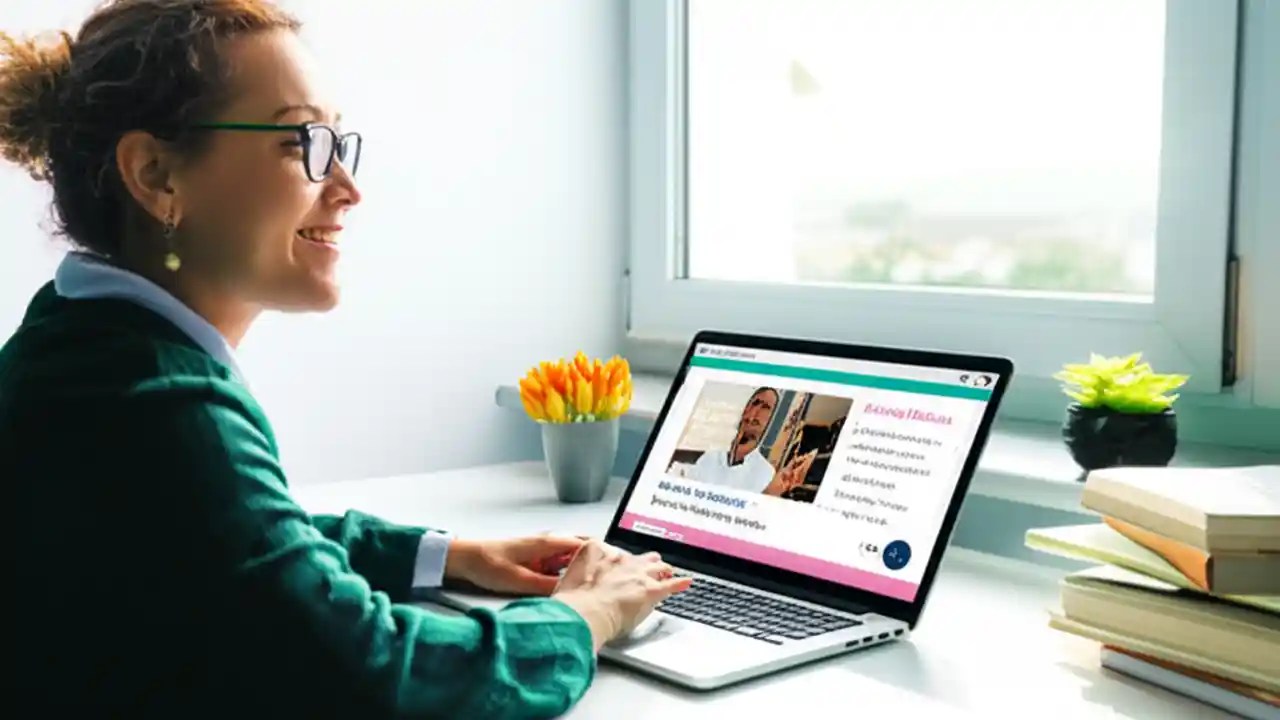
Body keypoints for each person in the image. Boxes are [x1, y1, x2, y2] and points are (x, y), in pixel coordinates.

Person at [0, 2, 690, 717]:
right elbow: (370, 677)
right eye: (304, 142)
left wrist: (449, 557)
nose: (348, 190)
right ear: (155, 174)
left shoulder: (79, 343)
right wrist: (585, 615)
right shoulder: (155, 402)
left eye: (338, 142)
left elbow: (230, 543)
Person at [688, 387, 816, 496]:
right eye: (755, 403)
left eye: (765, 407)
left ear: (771, 420)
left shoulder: (765, 473)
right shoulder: (709, 458)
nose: (756, 412)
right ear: (745, 409)